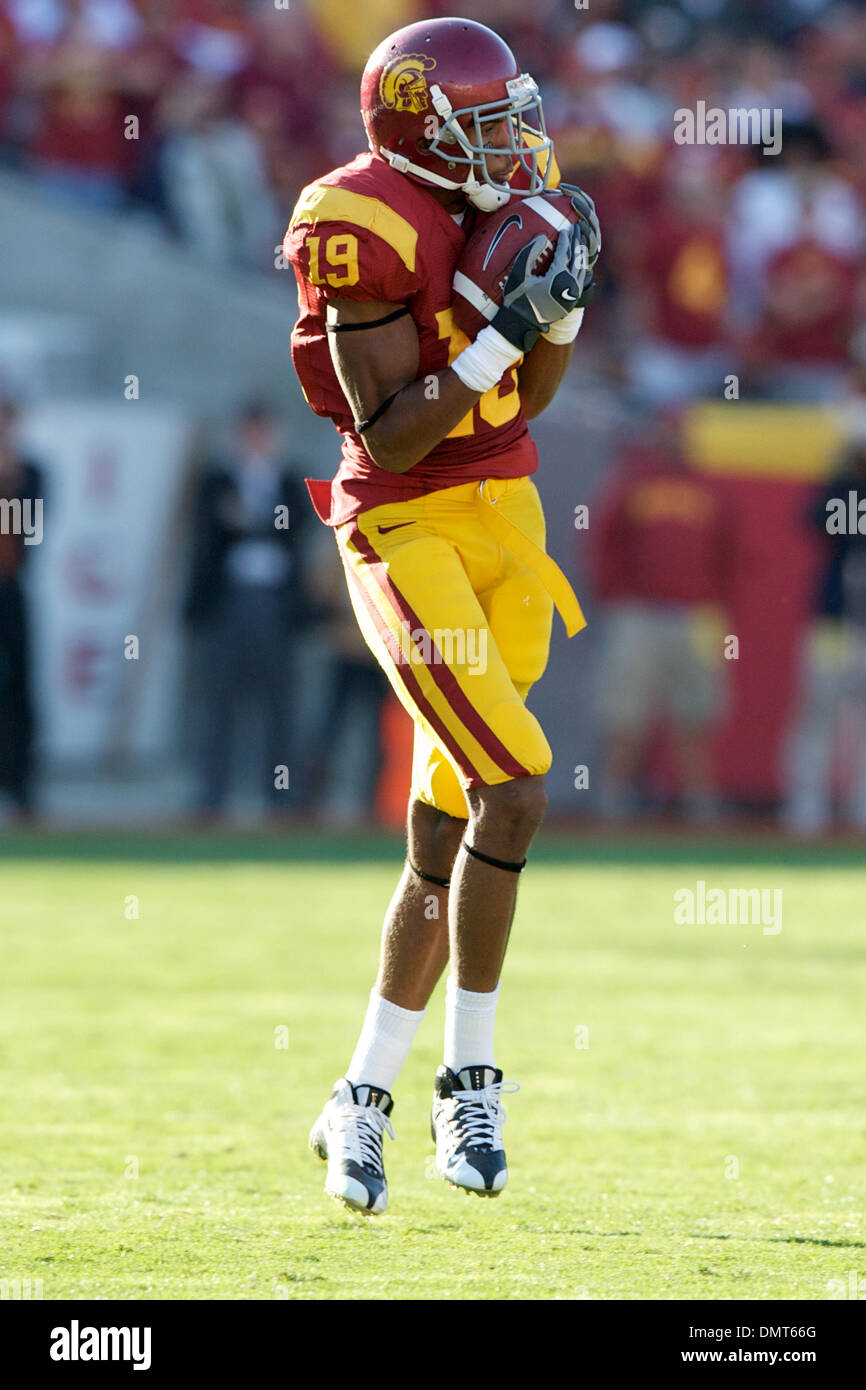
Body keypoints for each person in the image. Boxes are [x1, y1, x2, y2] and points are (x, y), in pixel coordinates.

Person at [285, 16, 599, 1214]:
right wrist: (493, 336)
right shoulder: (352, 219)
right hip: (403, 520)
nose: (513, 141)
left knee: (444, 827)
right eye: (485, 122)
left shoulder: (516, 191)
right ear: (419, 127)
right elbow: (391, 433)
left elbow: (528, 400)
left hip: (503, 512)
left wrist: (550, 319)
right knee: (514, 783)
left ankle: (356, 1097)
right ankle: (471, 1078)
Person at [588, 412, 731, 822]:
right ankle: (613, 807)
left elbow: (728, 554)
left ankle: (701, 809)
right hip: (638, 614)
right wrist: (616, 598)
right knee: (625, 714)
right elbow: (603, 542)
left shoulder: (710, 489)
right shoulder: (632, 481)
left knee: (696, 716)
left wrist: (715, 603)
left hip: (695, 615)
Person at [184, 402, 310, 819]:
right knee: (218, 701)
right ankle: (212, 795)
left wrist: (250, 524)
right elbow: (209, 532)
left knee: (280, 704)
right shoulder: (218, 481)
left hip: (274, 605)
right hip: (229, 603)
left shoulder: (289, 482)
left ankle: (281, 798)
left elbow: (295, 530)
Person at [0, 399, 43, 818]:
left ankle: (21, 783)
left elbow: (30, 534)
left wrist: (10, 485)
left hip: (10, 588)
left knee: (20, 687)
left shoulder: (30, 473)